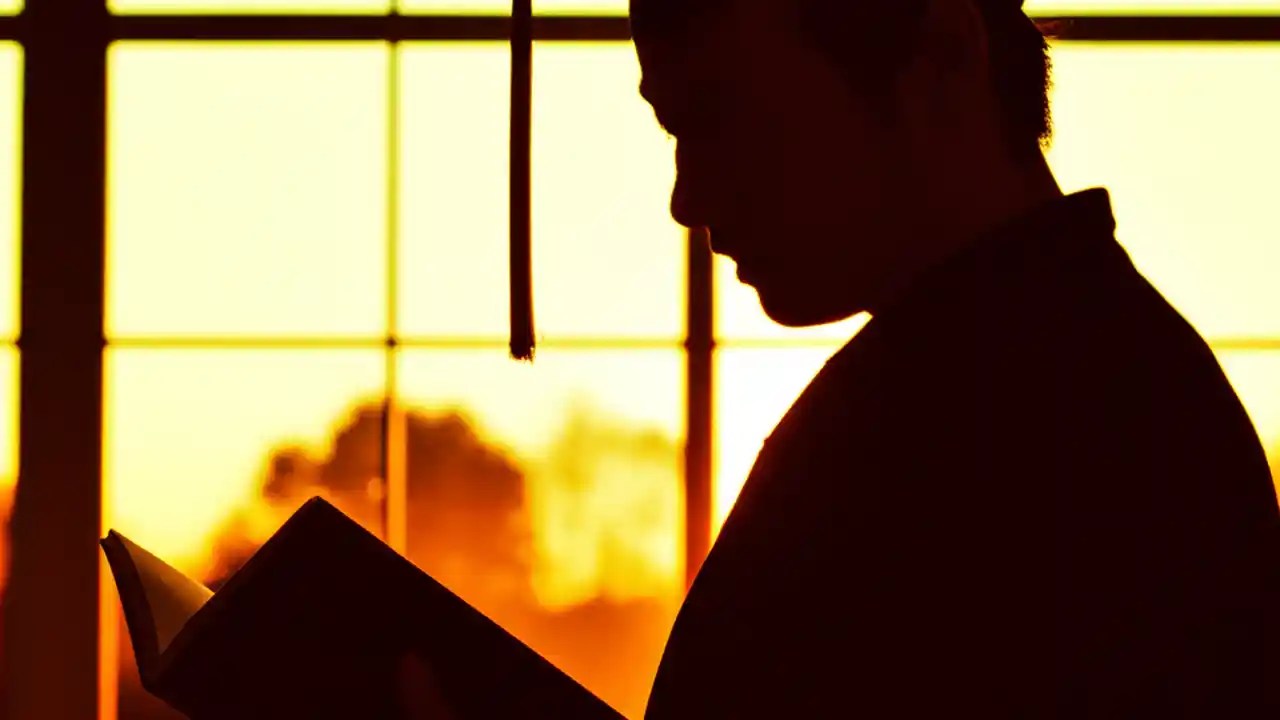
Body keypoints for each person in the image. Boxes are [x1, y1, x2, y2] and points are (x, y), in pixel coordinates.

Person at [402, 0, 1280, 716]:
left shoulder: (1076, 429)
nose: (687, 196)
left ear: (941, 52)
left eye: (716, 117)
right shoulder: (1064, 386)